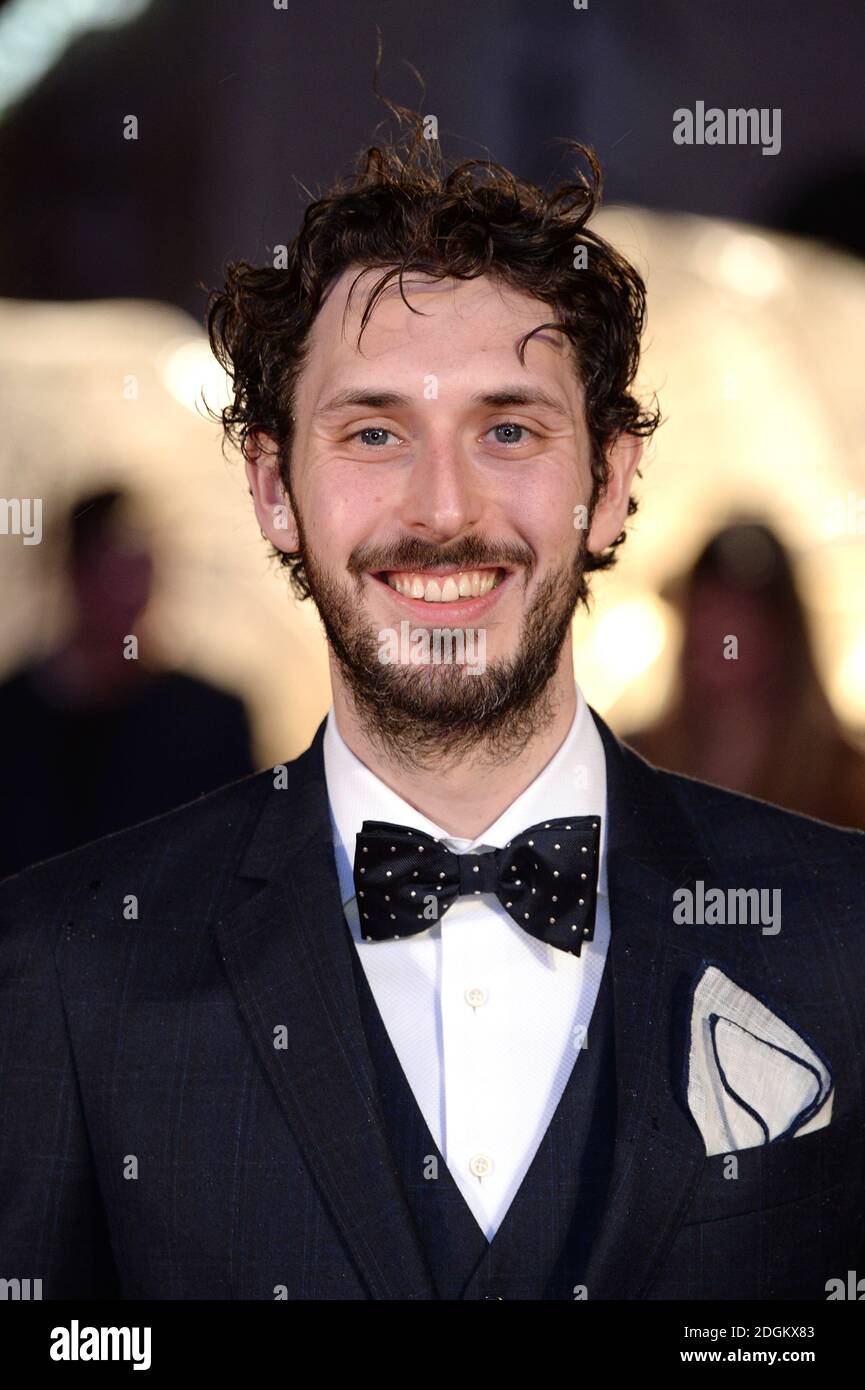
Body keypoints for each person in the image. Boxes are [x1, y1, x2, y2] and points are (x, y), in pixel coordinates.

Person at [1, 109, 863, 1301]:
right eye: (372, 432)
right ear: (273, 489)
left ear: (609, 486)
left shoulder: (844, 937)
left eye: (507, 428)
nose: (442, 508)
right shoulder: (58, 973)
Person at [0, 487, 255, 880]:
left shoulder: (209, 720)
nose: (125, 587)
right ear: (72, 571)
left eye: (137, 565)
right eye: (109, 566)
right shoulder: (13, 718)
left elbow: (242, 868)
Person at [627, 520, 865, 829]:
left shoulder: (846, 781)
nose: (719, 633)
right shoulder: (633, 765)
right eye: (708, 608)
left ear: (782, 632)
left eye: (738, 613)